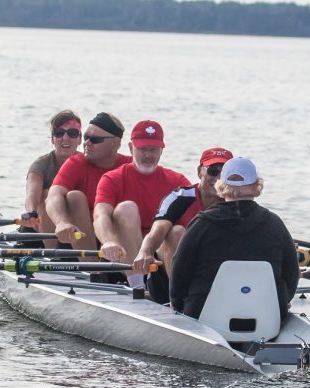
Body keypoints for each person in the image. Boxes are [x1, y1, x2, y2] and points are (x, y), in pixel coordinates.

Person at [169, 157, 298, 320]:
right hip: (265, 317)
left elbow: (179, 272)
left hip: (204, 316)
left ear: (221, 185)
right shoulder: (275, 224)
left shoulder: (201, 224)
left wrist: (178, 307)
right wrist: (282, 301)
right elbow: (292, 274)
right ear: (257, 186)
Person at [92, 120, 191, 289]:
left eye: (153, 150)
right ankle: (138, 286)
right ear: (131, 148)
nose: (148, 155)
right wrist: (107, 241)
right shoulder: (112, 179)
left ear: (161, 151)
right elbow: (100, 214)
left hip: (159, 253)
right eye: (142, 149)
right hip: (123, 254)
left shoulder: (178, 181)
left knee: (178, 231)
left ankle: (179, 295)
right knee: (126, 208)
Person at [133, 147, 233, 299]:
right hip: (166, 282)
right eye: (212, 171)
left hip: (211, 271)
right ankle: (179, 299)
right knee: (176, 231)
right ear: (200, 172)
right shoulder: (181, 197)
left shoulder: (233, 203)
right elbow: (157, 231)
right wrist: (145, 251)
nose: (217, 178)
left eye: (223, 173)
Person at [45, 113, 132, 252]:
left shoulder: (129, 166)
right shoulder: (76, 163)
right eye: (86, 137)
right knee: (75, 197)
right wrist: (62, 222)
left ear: (115, 143)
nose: (86, 143)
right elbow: (53, 195)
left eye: (95, 139)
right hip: (78, 240)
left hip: (117, 240)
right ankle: (93, 268)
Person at [22, 110, 82, 248]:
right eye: (59, 133)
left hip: (78, 227)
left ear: (79, 139)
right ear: (52, 139)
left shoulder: (88, 163)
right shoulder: (41, 164)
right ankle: (54, 251)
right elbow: (32, 194)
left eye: (72, 133)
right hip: (42, 228)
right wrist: (30, 212)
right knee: (47, 194)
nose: (65, 138)